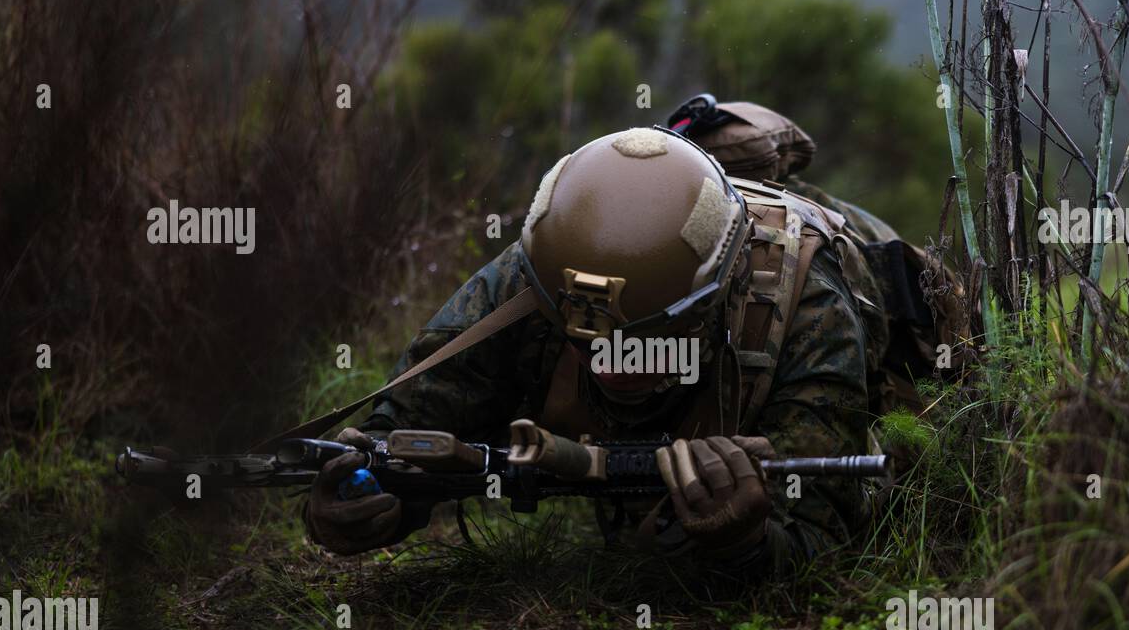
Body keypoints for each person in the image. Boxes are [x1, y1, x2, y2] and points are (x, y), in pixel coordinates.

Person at [304, 123, 888, 579]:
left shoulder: (809, 308)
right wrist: (368, 498)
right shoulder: (539, 272)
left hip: (854, 263)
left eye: (644, 340)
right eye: (584, 339)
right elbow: (403, 431)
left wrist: (745, 545)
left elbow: (823, 537)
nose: (613, 363)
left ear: (712, 301)